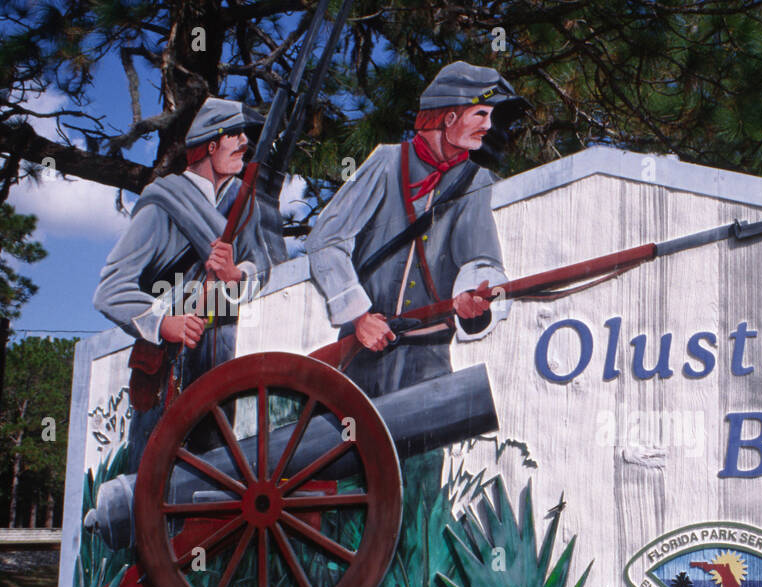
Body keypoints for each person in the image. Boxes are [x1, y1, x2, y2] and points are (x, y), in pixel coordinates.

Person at [305, 61, 522, 399]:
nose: (488, 126)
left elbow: (480, 257)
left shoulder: (475, 180)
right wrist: (359, 317)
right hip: (361, 353)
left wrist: (472, 296)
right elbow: (325, 239)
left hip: (428, 359)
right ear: (449, 117)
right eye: (481, 114)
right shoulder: (386, 162)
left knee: (424, 449)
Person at [94, 97, 279, 469]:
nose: (245, 142)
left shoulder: (245, 206)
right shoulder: (163, 202)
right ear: (210, 146)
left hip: (225, 362)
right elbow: (110, 290)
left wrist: (234, 273)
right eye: (235, 135)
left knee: (216, 479)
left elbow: (266, 270)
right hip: (167, 366)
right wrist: (164, 322)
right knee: (154, 477)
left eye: (246, 135)